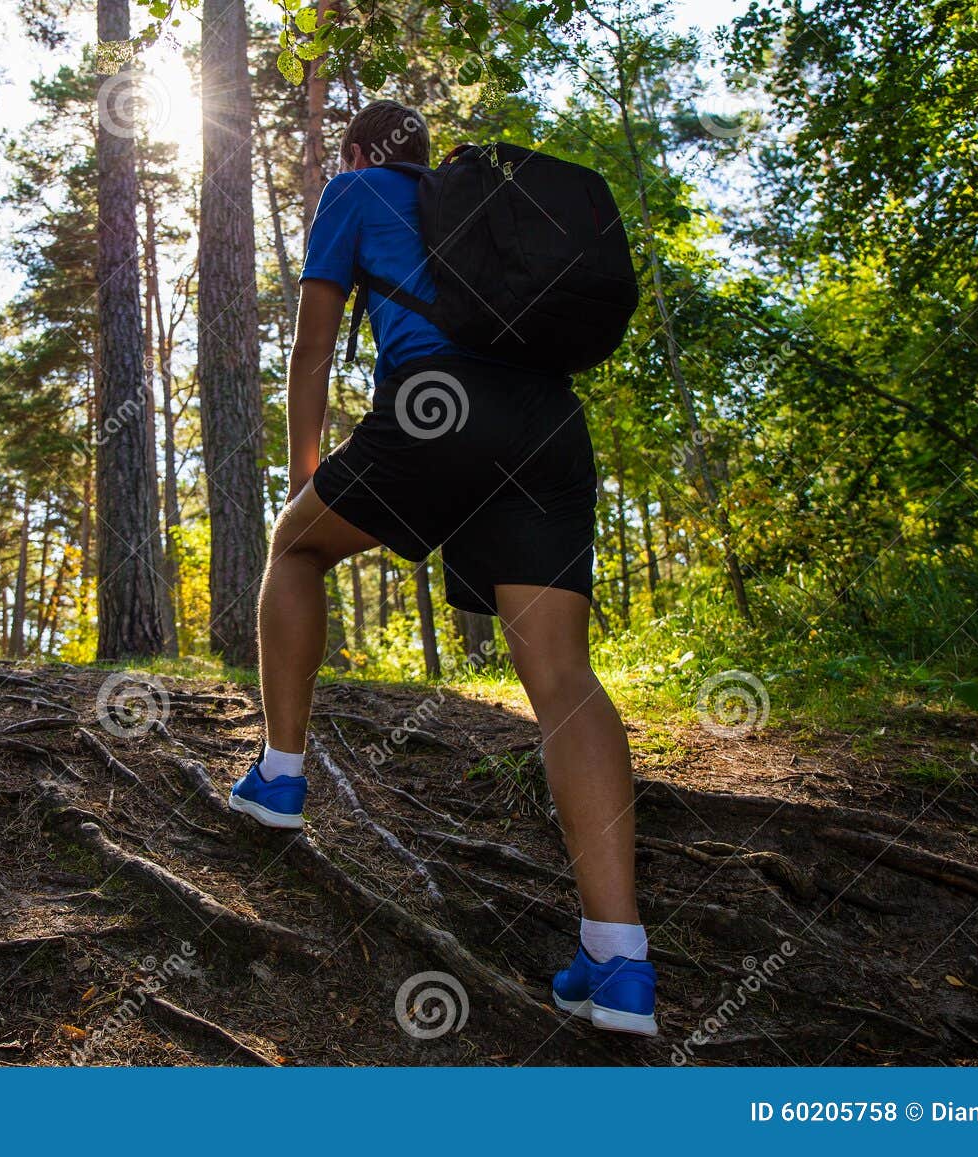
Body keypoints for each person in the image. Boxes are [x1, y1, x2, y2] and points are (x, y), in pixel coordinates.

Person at [225, 100, 657, 1036]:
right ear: (432, 155)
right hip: (548, 423)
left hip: (435, 405)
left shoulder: (354, 189)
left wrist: (307, 475)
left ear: (354, 152)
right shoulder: (489, 207)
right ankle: (619, 961)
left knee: (293, 549)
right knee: (563, 677)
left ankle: (282, 776)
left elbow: (310, 345)